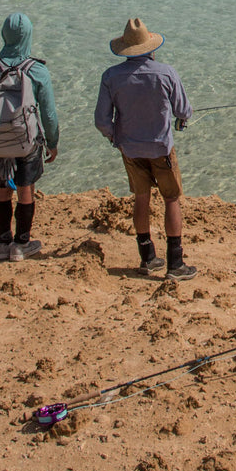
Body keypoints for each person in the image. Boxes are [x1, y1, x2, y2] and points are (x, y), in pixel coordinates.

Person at [95, 18, 197, 280]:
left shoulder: (110, 77)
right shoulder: (166, 73)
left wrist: (114, 137)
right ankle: (175, 263)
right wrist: (182, 119)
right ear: (151, 47)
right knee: (171, 199)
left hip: (129, 149)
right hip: (161, 148)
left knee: (141, 198)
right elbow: (183, 111)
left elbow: (102, 121)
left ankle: (148, 258)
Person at [0, 12, 59, 261]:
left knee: (2, 190)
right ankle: (21, 244)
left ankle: (2, 243)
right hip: (26, 142)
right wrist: (53, 143)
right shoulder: (37, 71)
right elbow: (48, 113)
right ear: (28, 36)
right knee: (26, 189)